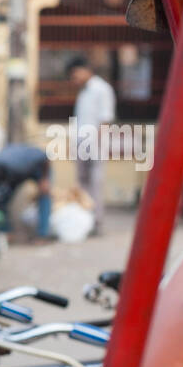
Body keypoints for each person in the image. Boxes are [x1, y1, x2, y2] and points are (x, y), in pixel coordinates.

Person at [67, 57, 116, 236]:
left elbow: (105, 119)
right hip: (81, 144)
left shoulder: (102, 89)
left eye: (75, 74)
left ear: (85, 69)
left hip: (95, 144)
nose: (74, 79)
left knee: (95, 183)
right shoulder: (83, 92)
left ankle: (96, 221)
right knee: (82, 183)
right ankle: (84, 220)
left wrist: (96, 144)